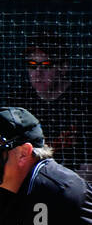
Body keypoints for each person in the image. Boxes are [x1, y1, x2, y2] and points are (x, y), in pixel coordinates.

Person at [7, 31, 88, 178]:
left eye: (46, 65)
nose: (38, 73)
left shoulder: (84, 101)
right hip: (32, 183)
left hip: (76, 185)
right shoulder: (18, 104)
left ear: (63, 67)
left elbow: (89, 167)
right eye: (32, 65)